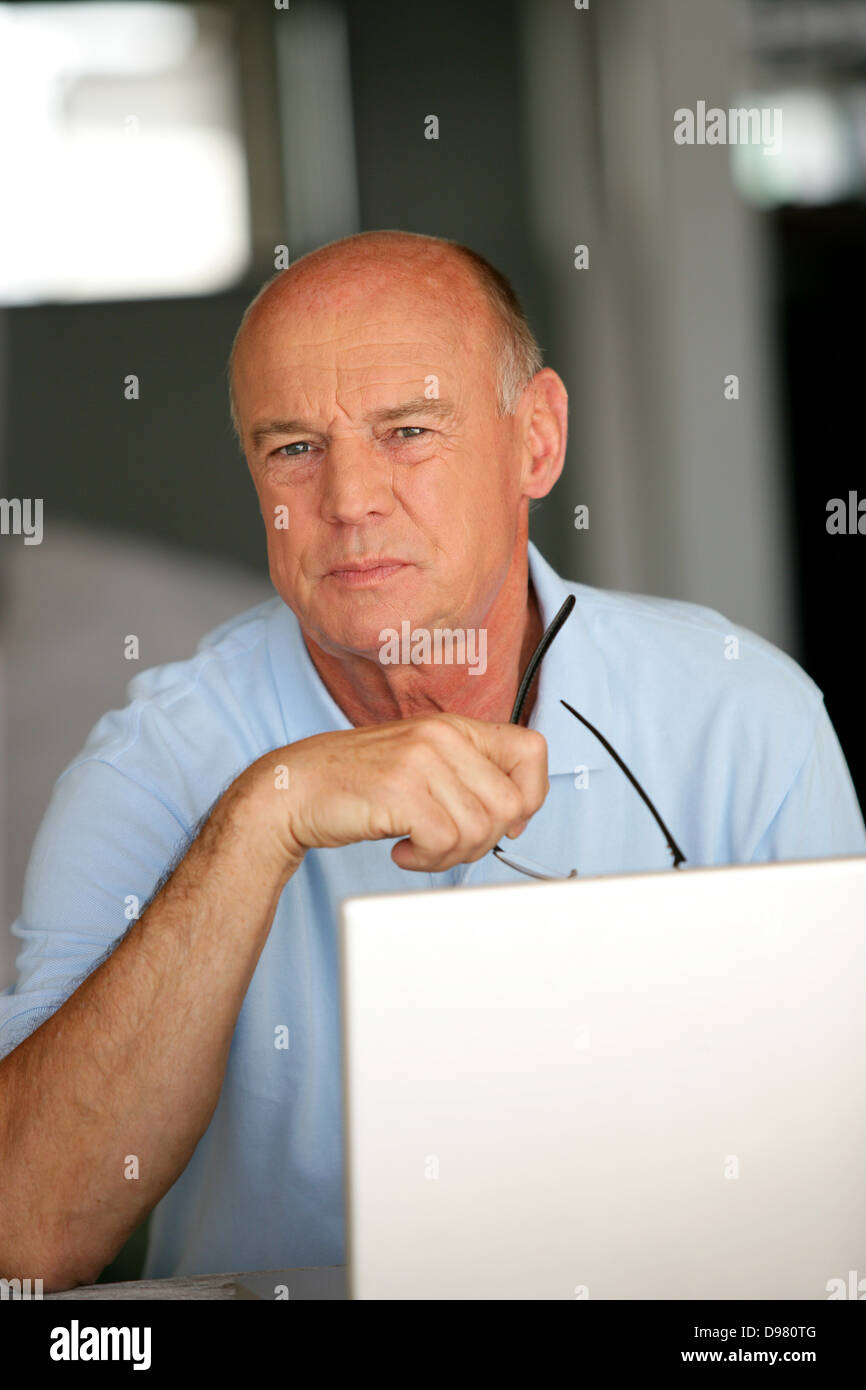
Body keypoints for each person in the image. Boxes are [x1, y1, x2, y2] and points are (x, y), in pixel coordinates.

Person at [0, 231, 863, 1291]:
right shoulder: (149, 763)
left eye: (407, 430)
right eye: (292, 448)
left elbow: (836, 1189)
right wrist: (268, 812)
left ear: (534, 439)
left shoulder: (743, 715)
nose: (350, 497)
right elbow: (25, 1233)